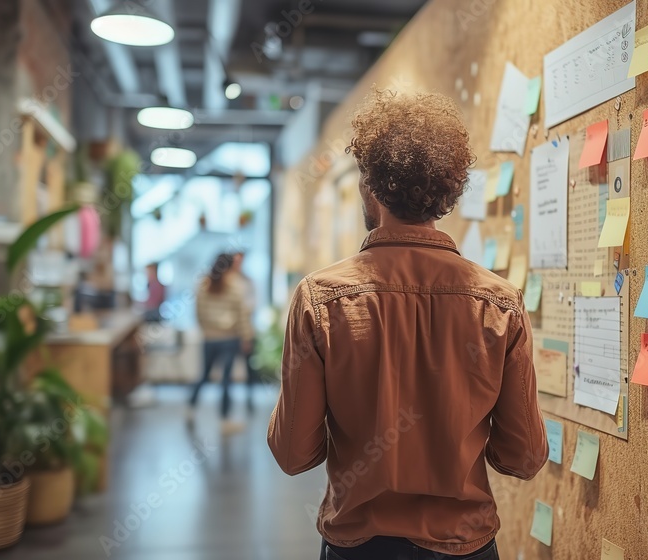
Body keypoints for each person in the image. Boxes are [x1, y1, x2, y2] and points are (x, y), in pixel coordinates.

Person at [268, 90, 548, 560]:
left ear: (372, 185)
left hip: (358, 545)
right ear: (446, 190)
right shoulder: (499, 303)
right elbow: (523, 457)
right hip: (466, 544)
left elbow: (294, 453)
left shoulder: (321, 298)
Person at [188, 253, 253, 435]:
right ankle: (225, 420)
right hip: (229, 337)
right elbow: (242, 314)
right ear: (231, 266)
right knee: (226, 379)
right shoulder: (235, 285)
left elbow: (198, 311)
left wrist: (206, 330)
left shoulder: (203, 284)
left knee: (204, 374)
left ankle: (190, 408)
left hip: (209, 338)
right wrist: (246, 337)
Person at [230, 251, 260, 412]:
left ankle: (250, 399)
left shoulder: (247, 281)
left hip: (246, 330)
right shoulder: (225, 282)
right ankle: (226, 407)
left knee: (250, 368)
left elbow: (251, 305)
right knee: (227, 368)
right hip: (230, 332)